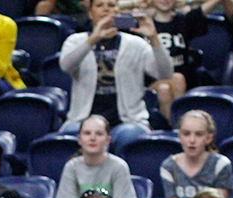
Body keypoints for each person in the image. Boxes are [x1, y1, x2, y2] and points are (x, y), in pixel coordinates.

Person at [58, 0, 173, 149]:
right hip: (82, 120)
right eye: (99, 5)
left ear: (118, 12)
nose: (105, 9)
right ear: (90, 13)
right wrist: (93, 39)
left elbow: (165, 73)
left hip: (127, 121)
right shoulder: (75, 41)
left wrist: (154, 38)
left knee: (130, 135)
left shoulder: (135, 44)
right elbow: (66, 66)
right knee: (67, 135)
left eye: (111, 5)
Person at [55, 115, 137, 198]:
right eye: (87, 133)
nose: (92, 138)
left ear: (108, 140)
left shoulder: (119, 166)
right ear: (79, 139)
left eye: (99, 134)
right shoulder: (71, 167)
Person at [159, 110, 233, 198]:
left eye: (198, 134)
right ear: (180, 137)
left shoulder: (220, 164)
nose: (192, 140)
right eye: (186, 134)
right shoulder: (168, 166)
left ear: (209, 138)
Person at [149, 0, 221, 123]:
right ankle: (179, 126)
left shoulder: (184, 21)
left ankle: (171, 127)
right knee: (176, 79)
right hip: (151, 81)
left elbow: (203, 10)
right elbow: (114, 12)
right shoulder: (144, 24)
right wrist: (138, 3)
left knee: (165, 89)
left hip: (182, 81)